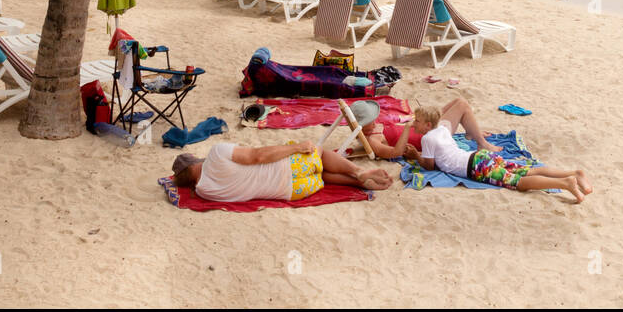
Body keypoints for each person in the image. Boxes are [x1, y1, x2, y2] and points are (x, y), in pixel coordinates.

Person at [412, 104, 592, 203]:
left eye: (417, 121)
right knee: (526, 170)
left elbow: (429, 165)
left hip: (476, 167)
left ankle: (565, 183)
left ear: (428, 125)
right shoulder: (442, 129)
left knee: (520, 183)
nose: (414, 124)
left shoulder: (427, 139)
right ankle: (575, 173)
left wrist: (415, 156)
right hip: (481, 157)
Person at [170, 141, 392, 202]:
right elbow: (258, 156)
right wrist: (296, 147)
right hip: (291, 168)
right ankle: (358, 172)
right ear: (193, 163)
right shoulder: (216, 154)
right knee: (320, 153)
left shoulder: (204, 192)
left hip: (296, 191)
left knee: (321, 175)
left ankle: (357, 184)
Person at [358, 97, 482, 163]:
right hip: (432, 134)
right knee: (462, 105)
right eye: (370, 120)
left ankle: (472, 132)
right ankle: (482, 143)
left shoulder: (374, 127)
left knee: (458, 101)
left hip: (424, 126)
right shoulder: (373, 141)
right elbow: (397, 152)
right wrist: (407, 127)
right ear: (361, 125)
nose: (374, 121)